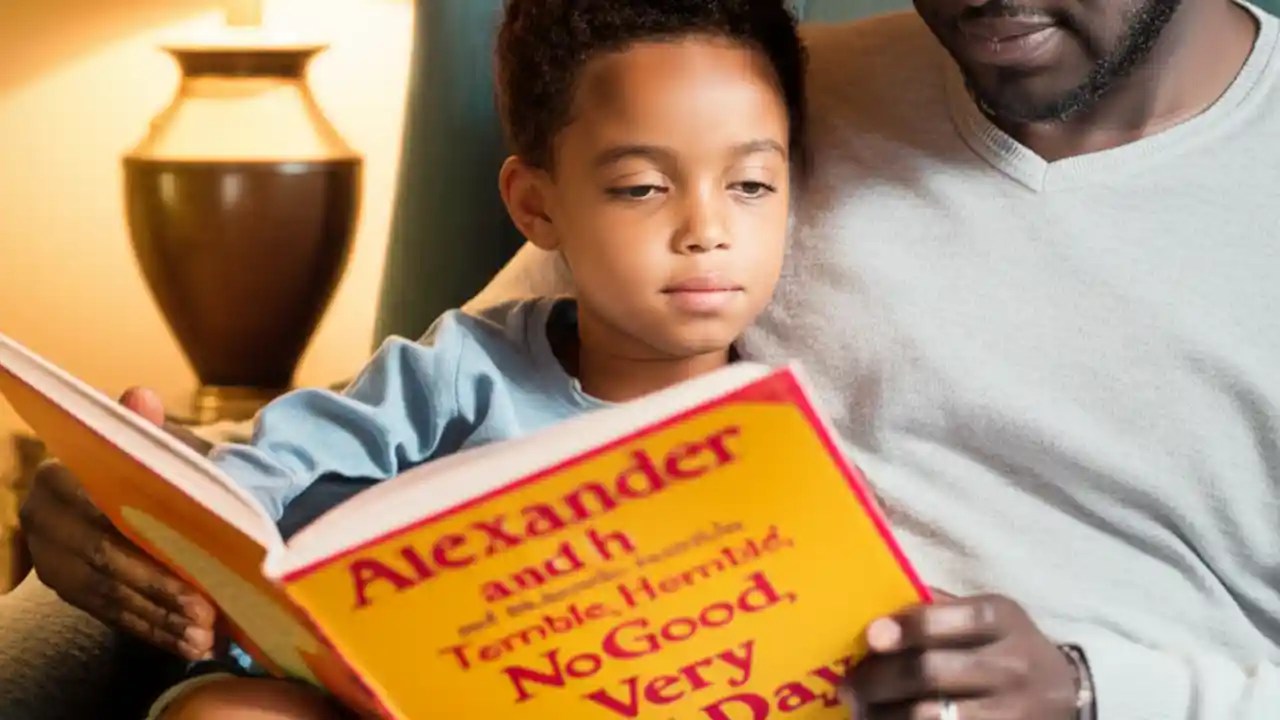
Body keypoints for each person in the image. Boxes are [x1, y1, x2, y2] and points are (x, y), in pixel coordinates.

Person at [19, 0, 1280, 718]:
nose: (706, 224)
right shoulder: (760, 83)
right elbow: (520, 368)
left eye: (750, 187)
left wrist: (1089, 688)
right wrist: (155, 505)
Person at [110, 0, 808, 717]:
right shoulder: (461, 370)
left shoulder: (798, 428)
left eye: (751, 185)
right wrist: (188, 511)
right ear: (536, 206)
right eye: (641, 188)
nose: (707, 230)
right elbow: (278, 462)